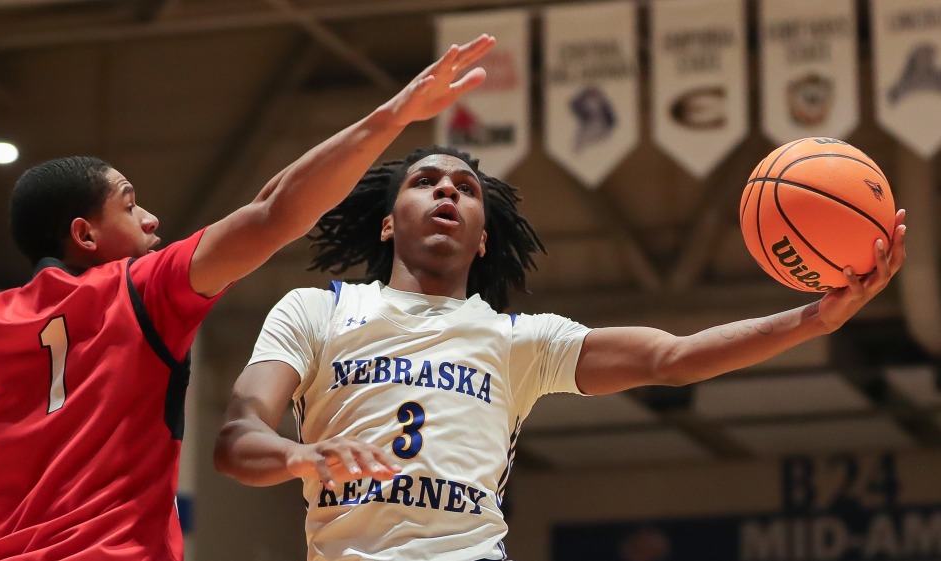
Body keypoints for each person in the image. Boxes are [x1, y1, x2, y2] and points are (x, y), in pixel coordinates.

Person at [0, 35, 496, 561]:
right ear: (85, 236)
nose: (151, 218)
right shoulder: (139, 290)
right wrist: (393, 116)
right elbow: (274, 210)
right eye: (130, 205)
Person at [213, 145, 908, 561]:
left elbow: (674, 356)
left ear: (483, 236)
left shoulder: (518, 340)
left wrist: (816, 319)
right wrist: (296, 457)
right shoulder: (318, 310)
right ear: (389, 222)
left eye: (467, 187)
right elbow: (236, 437)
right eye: (425, 181)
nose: (448, 188)